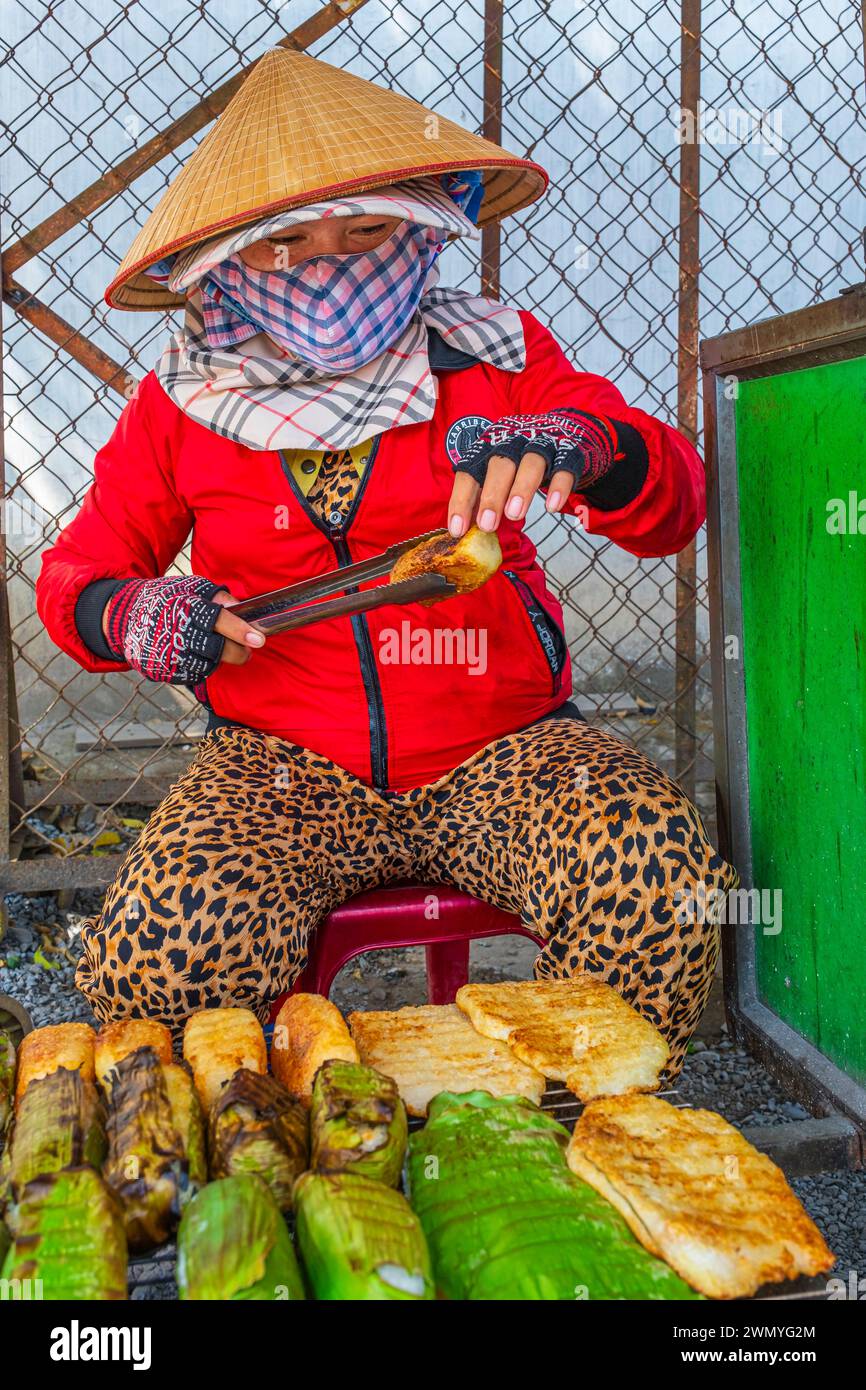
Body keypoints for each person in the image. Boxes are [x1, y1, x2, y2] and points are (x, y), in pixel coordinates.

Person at [36, 48, 736, 1071]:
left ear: (421, 228)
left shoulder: (494, 353)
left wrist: (587, 448)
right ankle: (274, 1160)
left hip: (505, 747)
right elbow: (75, 579)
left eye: (367, 228)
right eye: (285, 244)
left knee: (651, 883)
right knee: (164, 954)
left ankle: (562, 1139)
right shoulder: (177, 404)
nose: (328, 265)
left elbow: (668, 501)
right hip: (276, 771)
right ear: (225, 261)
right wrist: (136, 614)